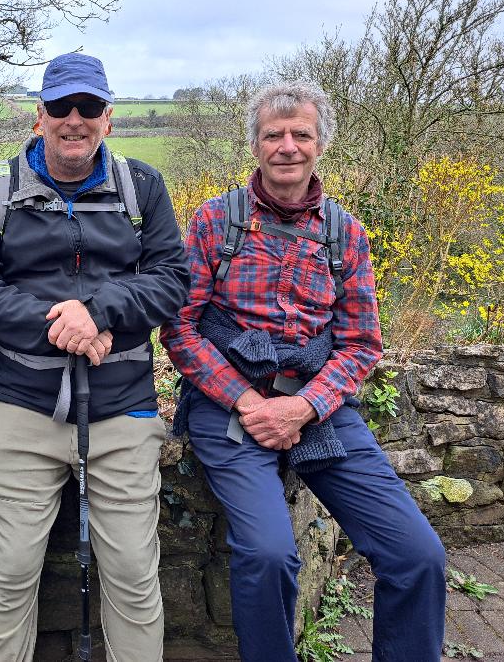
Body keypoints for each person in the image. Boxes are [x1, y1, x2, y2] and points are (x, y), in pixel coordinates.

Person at [160, 82, 447, 662]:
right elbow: (181, 329)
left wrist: (303, 406)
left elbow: (362, 344)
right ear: (255, 144)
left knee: (418, 554)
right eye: (273, 134)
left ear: (321, 145)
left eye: (301, 134)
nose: (286, 146)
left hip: (319, 411)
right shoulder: (216, 222)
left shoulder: (345, 233)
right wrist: (248, 401)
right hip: (228, 410)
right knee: (268, 555)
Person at [0, 52, 190, 661]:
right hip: (22, 403)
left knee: (135, 574)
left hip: (121, 406)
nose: (74, 120)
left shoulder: (143, 188)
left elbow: (172, 279)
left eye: (88, 107)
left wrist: (102, 312)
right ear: (40, 116)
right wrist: (62, 325)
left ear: (108, 117)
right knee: (7, 573)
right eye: (61, 107)